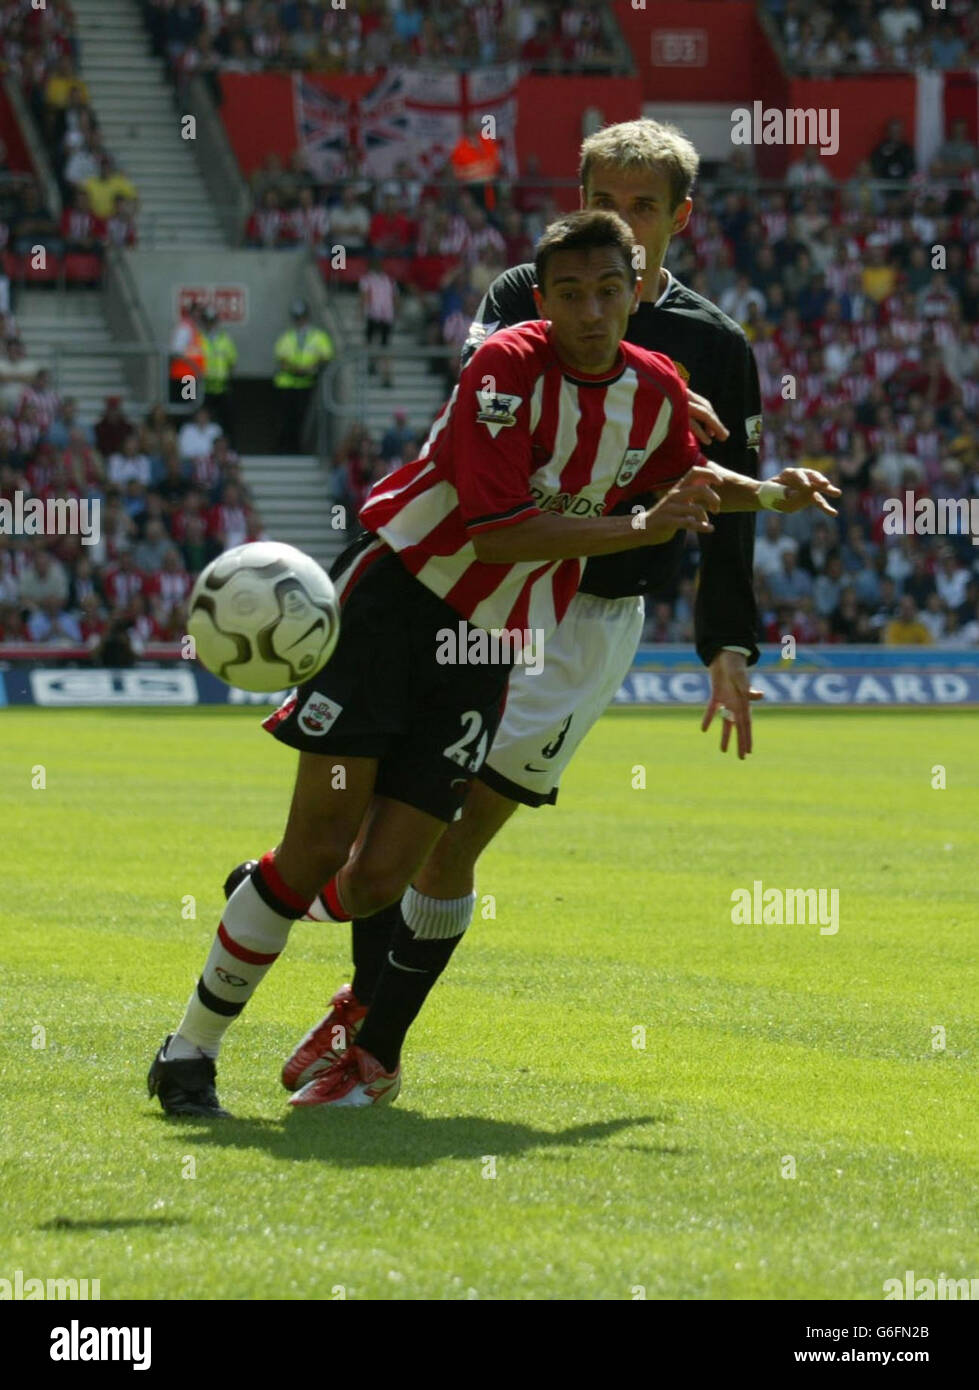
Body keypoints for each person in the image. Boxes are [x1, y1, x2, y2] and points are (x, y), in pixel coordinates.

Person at [148, 208, 837, 1116]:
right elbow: (498, 531)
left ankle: (266, 900)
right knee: (319, 843)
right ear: (541, 300)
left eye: (606, 290)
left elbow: (691, 480)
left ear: (635, 291)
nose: (590, 310)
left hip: (489, 644)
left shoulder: (658, 385)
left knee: (379, 878)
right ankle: (189, 1050)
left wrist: (770, 495)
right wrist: (637, 524)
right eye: (568, 294)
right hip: (395, 604)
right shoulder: (505, 365)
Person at [273, 299, 333, 454]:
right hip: (288, 384)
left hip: (307, 385)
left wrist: (308, 368)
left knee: (304, 421)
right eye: (297, 317)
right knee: (286, 420)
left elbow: (326, 356)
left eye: (302, 317)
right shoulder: (287, 337)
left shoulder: (318, 336)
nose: (300, 321)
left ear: (307, 317)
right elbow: (282, 359)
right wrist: (301, 368)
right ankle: (285, 450)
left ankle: (301, 450)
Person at [199, 306, 237, 440]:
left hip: (222, 387)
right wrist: (189, 390)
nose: (210, 324)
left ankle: (229, 450)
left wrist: (228, 381)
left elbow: (232, 362)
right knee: (200, 420)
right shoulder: (198, 339)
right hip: (202, 388)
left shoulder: (225, 339)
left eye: (212, 321)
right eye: (207, 321)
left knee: (226, 421)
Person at [169, 303, 205, 406]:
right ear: (191, 312)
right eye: (197, 312)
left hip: (189, 376)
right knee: (185, 407)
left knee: (189, 405)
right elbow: (177, 352)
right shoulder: (185, 328)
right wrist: (195, 367)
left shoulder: (193, 329)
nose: (199, 315)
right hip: (184, 376)